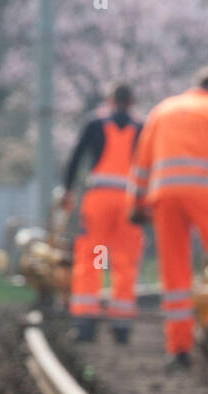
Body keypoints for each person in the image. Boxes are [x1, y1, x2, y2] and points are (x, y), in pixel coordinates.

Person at [127, 66, 208, 367]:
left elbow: (141, 162)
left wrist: (136, 202)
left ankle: (179, 346)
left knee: (174, 269)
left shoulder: (162, 110)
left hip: (163, 195)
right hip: (203, 190)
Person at [62, 82, 145, 343]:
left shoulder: (95, 124)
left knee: (93, 257)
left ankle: (86, 322)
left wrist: (68, 190)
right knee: (124, 261)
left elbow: (76, 158)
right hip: (129, 203)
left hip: (99, 200)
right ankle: (121, 327)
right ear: (132, 101)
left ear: (110, 99)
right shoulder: (141, 127)